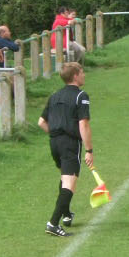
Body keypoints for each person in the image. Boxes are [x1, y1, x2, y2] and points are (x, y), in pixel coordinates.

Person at [37, 61, 93, 237]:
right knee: (70, 182)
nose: (84, 75)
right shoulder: (81, 96)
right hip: (70, 144)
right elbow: (83, 124)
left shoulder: (54, 96)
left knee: (65, 177)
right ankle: (53, 223)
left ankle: (67, 214)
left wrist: (56, 135)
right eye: (82, 72)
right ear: (75, 76)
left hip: (54, 142)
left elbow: (41, 122)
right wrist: (89, 150)